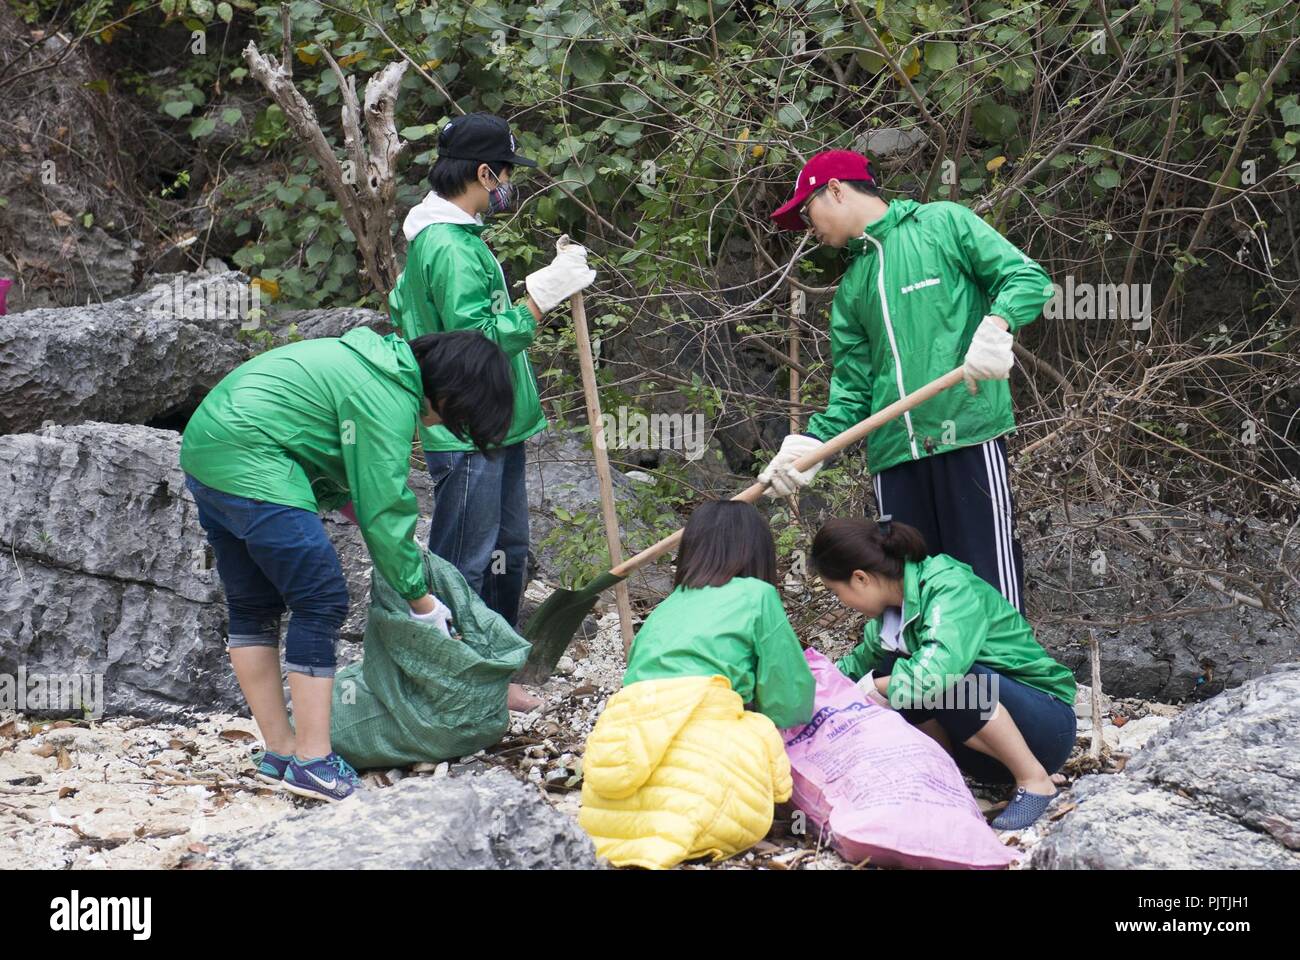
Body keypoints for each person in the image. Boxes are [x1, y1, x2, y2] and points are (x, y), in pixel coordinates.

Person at [179, 326, 514, 801]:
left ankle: (280, 752)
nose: (452, 426)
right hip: (253, 456)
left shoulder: (370, 363)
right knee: (321, 599)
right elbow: (383, 504)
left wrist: (398, 543)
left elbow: (344, 475)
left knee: (254, 607)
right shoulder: (387, 396)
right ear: (455, 391)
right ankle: (314, 762)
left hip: (207, 449)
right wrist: (421, 600)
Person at [761, 150, 1054, 614]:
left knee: (988, 588)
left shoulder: (943, 224)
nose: (807, 225)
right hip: (895, 459)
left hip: (966, 438)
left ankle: (1006, 686)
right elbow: (854, 392)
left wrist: (996, 326)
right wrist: (810, 446)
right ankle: (924, 687)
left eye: (806, 209)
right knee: (911, 597)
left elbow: (1027, 278)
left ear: (836, 189)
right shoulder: (852, 287)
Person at [387, 112, 596, 712]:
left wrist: (540, 284)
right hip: (466, 427)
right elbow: (472, 342)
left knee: (509, 552)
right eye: (506, 173)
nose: (510, 184)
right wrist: (541, 295)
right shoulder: (448, 247)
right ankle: (455, 684)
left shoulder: (458, 236)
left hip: (494, 424)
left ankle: (499, 674)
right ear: (484, 172)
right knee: (467, 560)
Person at [578, 501, 814, 868]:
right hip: (704, 798)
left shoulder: (664, 608)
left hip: (605, 806)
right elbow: (788, 698)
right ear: (757, 552)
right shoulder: (758, 595)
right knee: (755, 726)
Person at [810, 515, 1077, 830]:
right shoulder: (886, 621)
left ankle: (1034, 781)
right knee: (892, 669)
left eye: (836, 591)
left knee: (947, 681)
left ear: (860, 578)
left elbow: (938, 671)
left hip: (1044, 727)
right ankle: (948, 784)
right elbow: (850, 671)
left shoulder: (947, 585)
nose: (841, 602)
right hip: (984, 757)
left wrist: (874, 687)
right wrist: (811, 689)